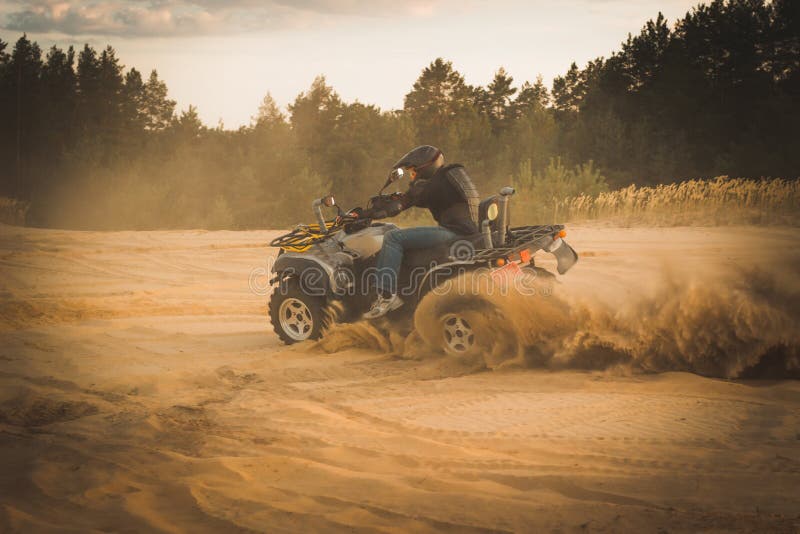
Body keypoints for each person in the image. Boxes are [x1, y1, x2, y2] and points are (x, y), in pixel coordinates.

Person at [363, 145, 480, 319]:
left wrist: (370, 213)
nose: (412, 176)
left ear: (425, 169)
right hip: (468, 232)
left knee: (393, 237)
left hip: (454, 232)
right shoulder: (450, 177)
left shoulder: (433, 183)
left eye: (413, 171)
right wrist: (394, 199)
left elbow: (404, 202)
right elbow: (414, 197)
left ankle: (386, 297)